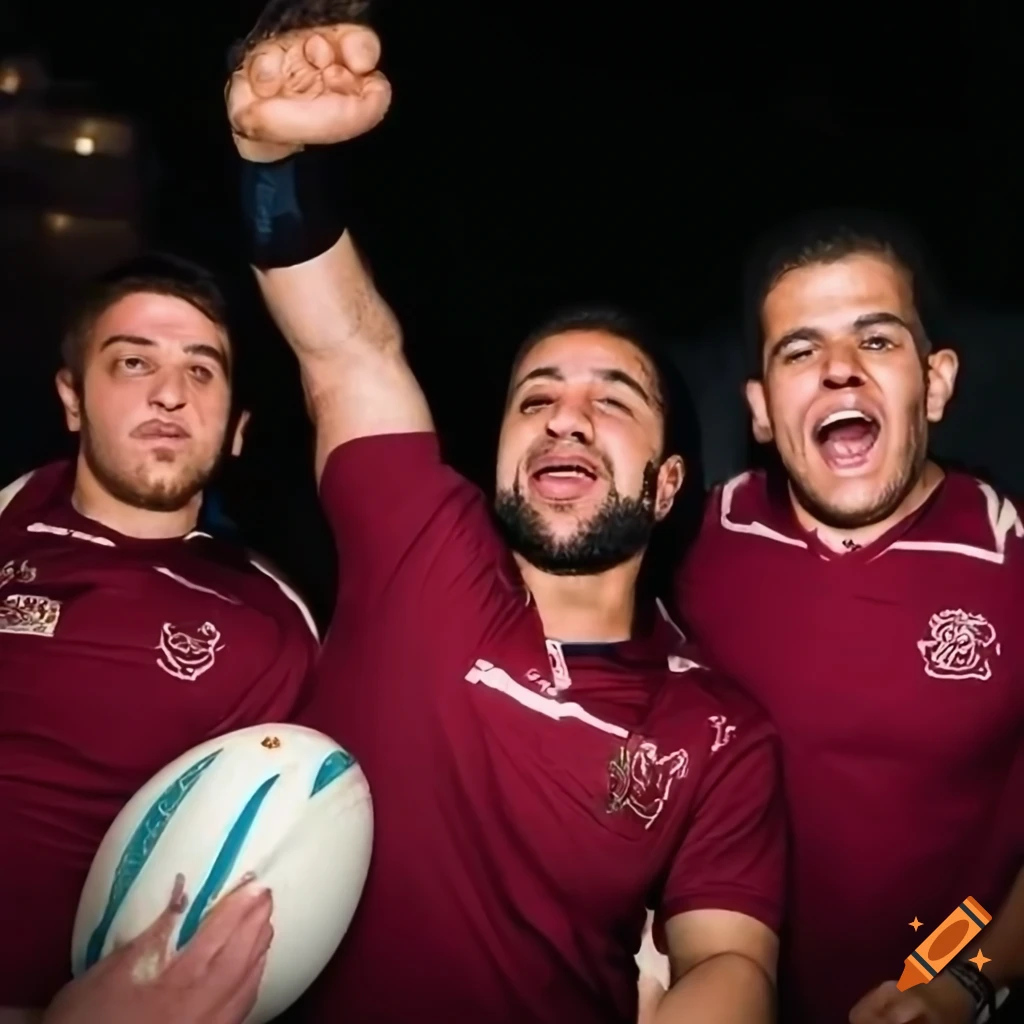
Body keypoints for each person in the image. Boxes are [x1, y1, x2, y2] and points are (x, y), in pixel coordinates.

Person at [223, 3, 786, 1021]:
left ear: (665, 486)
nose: (563, 418)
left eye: (611, 401)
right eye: (535, 398)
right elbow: (347, 349)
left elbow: (728, 962)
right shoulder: (419, 550)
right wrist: (272, 159)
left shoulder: (713, 728)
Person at [674, 211, 1024, 1024]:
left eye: (876, 340)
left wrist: (967, 981)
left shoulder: (1013, 565)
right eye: (800, 349)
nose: (838, 371)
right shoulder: (693, 546)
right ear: (760, 409)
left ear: (934, 382)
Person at [0, 253, 318, 1020]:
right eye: (133, 362)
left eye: (202, 372)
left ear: (237, 428)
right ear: (72, 399)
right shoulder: (13, 515)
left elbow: (278, 858)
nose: (171, 394)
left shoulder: (267, 626)